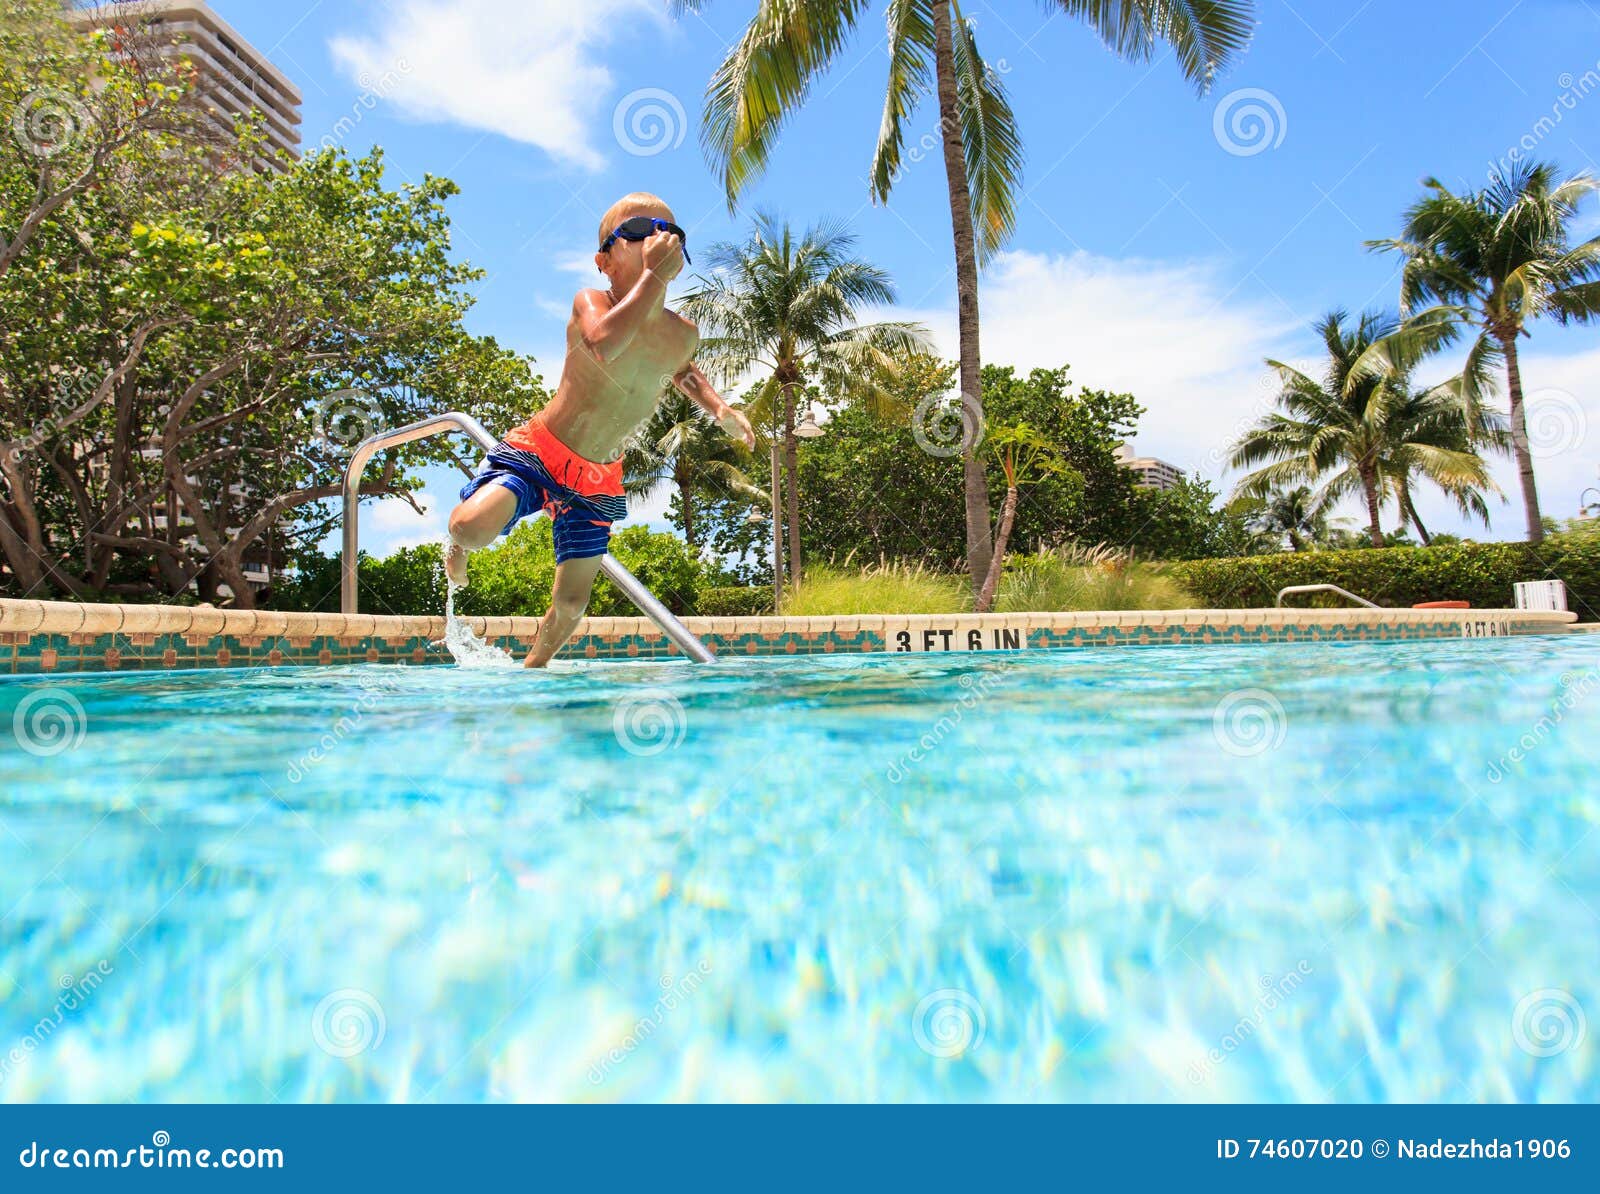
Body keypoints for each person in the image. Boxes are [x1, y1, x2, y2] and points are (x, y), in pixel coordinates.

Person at [443, 192, 755, 667]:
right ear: (604, 261)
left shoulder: (682, 332)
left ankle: (534, 670)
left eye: (667, 232)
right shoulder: (591, 302)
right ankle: (457, 548)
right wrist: (652, 277)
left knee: (572, 603)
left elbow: (682, 370)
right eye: (637, 232)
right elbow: (605, 344)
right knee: (470, 528)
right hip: (543, 453)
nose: (656, 238)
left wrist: (721, 410)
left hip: (598, 480)